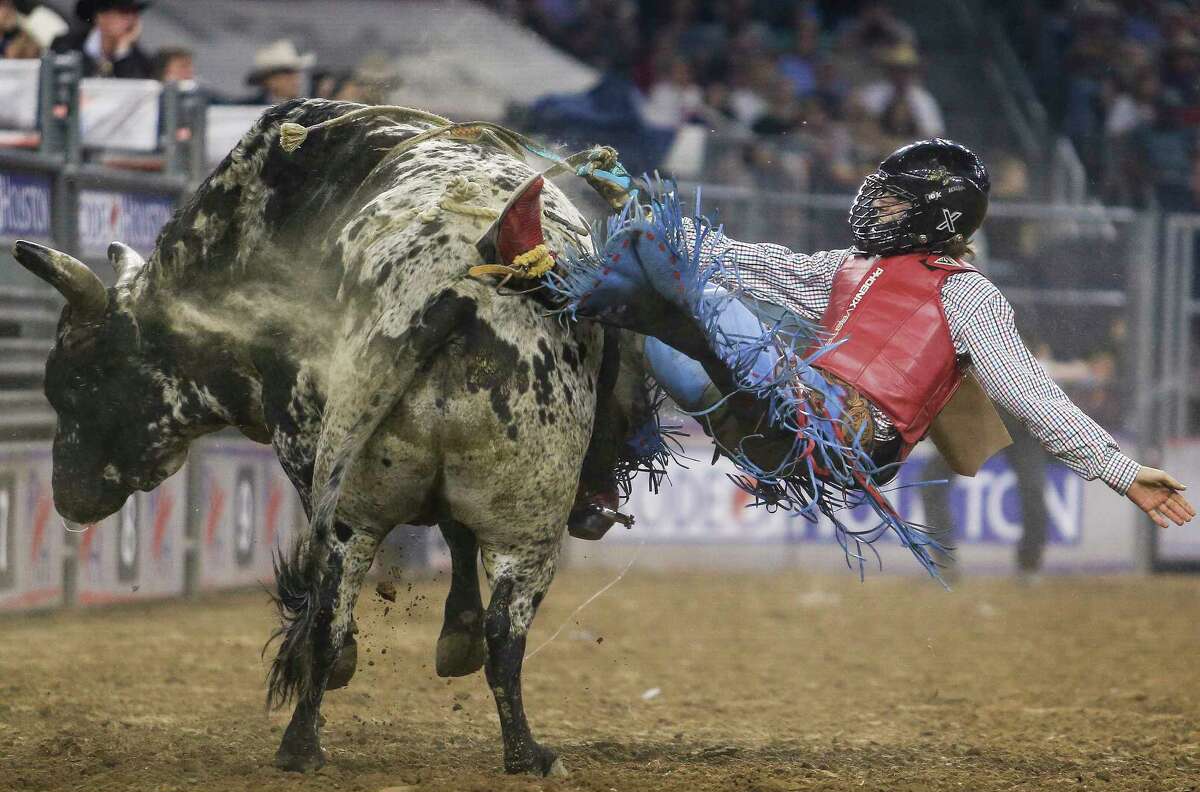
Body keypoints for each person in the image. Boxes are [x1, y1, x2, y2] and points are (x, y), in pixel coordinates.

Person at [484, 138, 1195, 566]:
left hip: (837, 430)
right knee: (648, 322)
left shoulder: (969, 295)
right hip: (767, 423)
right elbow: (740, 258)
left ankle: (551, 278)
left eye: (889, 202)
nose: (871, 208)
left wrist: (1121, 469)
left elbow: (1028, 394)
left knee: (677, 277)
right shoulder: (846, 268)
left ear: (932, 214)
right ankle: (597, 476)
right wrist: (637, 198)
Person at [50, 0, 152, 79]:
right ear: (99, 16)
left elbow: (134, 90)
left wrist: (122, 53)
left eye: (133, 13)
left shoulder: (139, 60)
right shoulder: (66, 45)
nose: (131, 20)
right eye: (123, 13)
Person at [243, 39, 314, 105]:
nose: (295, 79)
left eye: (296, 72)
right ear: (269, 80)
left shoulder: (309, 109)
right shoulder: (246, 110)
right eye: (287, 73)